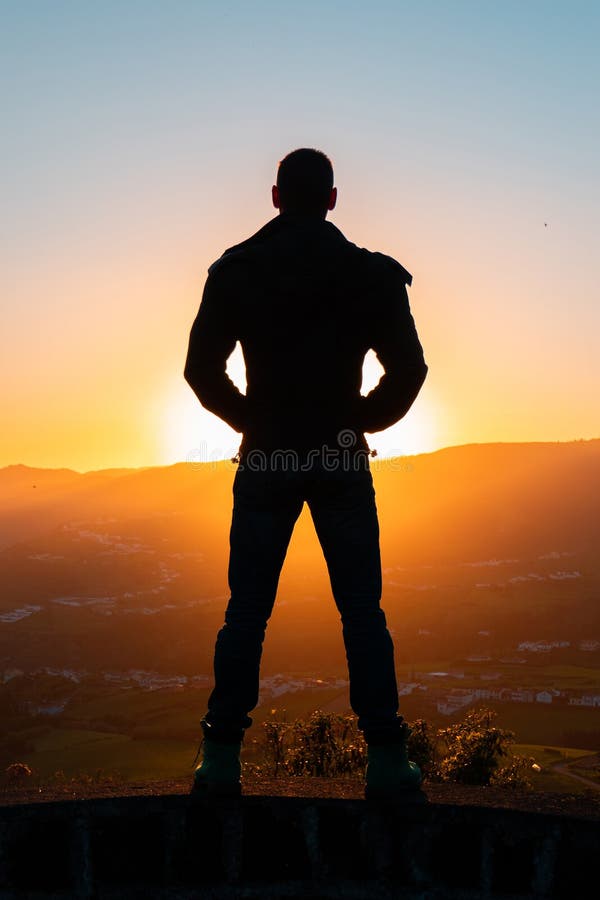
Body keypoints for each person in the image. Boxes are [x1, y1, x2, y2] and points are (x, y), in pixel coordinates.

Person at [184, 148, 428, 800]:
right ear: (332, 199)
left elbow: (200, 371)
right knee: (362, 614)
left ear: (273, 197)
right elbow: (410, 371)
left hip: (268, 457)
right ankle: (385, 760)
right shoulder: (369, 275)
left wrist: (252, 422)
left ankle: (220, 758)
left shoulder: (236, 270)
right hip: (339, 456)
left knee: (247, 615)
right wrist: (361, 421)